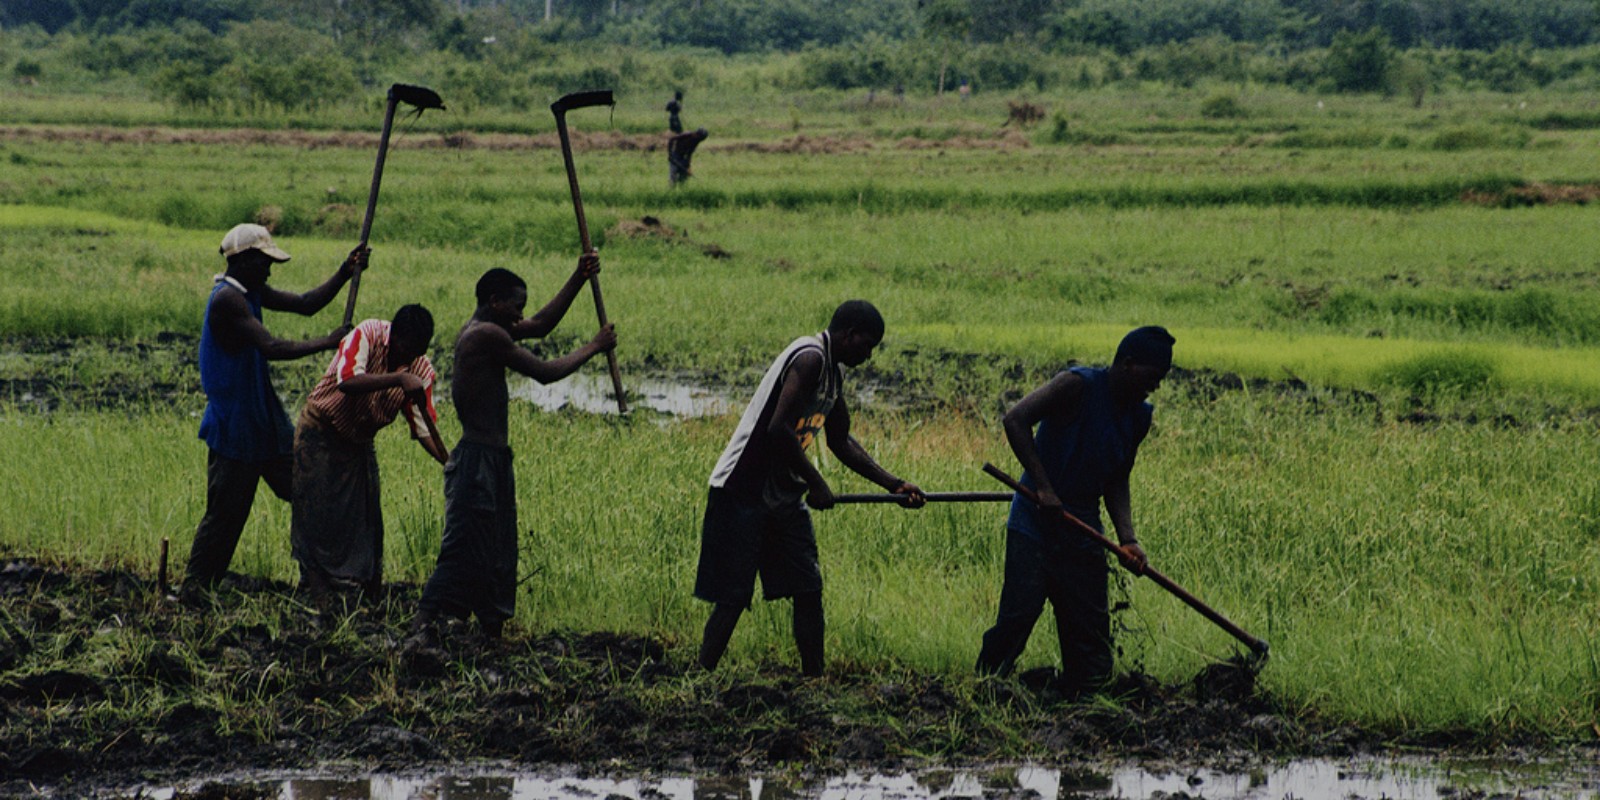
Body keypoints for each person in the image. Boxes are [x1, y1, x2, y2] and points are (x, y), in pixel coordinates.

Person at [695, 300, 926, 678]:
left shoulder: (833, 374)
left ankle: (814, 680)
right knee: (733, 596)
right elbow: (777, 428)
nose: (867, 357)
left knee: (807, 586)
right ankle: (701, 677)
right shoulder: (810, 358)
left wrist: (894, 484)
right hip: (744, 487)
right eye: (866, 346)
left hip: (783, 492)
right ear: (848, 334)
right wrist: (817, 483)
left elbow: (841, 441)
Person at [411, 254, 616, 640]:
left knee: (499, 548)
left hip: (494, 458)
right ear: (495, 302)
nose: (520, 316)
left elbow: (539, 326)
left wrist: (577, 276)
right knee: (462, 545)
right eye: (515, 307)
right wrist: (594, 346)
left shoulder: (492, 328)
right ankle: (421, 624)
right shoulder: (484, 336)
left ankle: (491, 632)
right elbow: (544, 373)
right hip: (477, 460)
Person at [975, 326, 1174, 697]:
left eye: (1160, 380)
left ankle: (1085, 700)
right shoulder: (1076, 385)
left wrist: (1128, 538)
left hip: (1083, 525)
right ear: (1128, 365)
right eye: (1151, 377)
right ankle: (985, 690)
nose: (1154, 387)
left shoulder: (1138, 417)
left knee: (1090, 633)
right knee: (1017, 618)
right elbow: (1015, 419)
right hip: (1034, 520)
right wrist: (1044, 488)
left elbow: (1117, 477)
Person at [186, 223, 364, 592]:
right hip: (235, 428)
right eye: (265, 262)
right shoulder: (228, 300)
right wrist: (328, 343)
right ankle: (195, 589)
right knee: (225, 516)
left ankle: (320, 574)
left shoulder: (250, 290)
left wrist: (344, 273)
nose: (269, 270)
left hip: (262, 423)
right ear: (246, 260)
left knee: (304, 491)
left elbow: (305, 304)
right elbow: (272, 347)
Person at [291, 304, 449, 600]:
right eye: (407, 349)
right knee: (315, 511)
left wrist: (448, 462)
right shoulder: (367, 334)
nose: (411, 358)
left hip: (359, 441)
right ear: (395, 337)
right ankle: (316, 587)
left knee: (367, 519)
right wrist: (398, 380)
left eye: (418, 351)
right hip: (321, 431)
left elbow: (423, 427)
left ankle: (367, 589)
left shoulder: (422, 370)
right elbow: (349, 380)